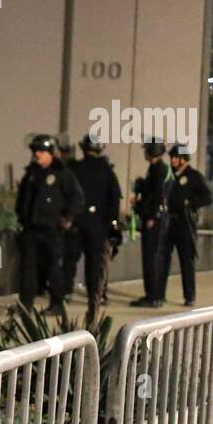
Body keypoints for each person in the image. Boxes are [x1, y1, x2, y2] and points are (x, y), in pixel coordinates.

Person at [16, 135, 84, 315]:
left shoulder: (63, 174)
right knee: (28, 268)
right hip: (31, 229)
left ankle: (56, 304)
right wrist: (21, 218)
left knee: (54, 268)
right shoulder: (31, 174)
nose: (36, 154)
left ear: (50, 153)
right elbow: (22, 199)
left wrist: (67, 218)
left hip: (52, 230)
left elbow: (77, 198)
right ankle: (26, 303)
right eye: (34, 151)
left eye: (40, 151)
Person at [64, 134, 122, 315]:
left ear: (83, 148)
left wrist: (68, 218)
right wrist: (112, 223)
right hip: (98, 226)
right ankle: (95, 296)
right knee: (95, 263)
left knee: (70, 259)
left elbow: (66, 194)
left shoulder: (73, 169)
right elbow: (115, 200)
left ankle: (65, 291)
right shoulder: (107, 171)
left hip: (77, 223)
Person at [161, 144, 211, 306]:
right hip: (169, 221)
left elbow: (207, 197)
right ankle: (159, 293)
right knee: (162, 258)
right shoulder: (170, 175)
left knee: (186, 260)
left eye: (175, 157)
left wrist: (190, 203)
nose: (172, 160)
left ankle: (189, 296)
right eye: (172, 157)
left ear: (183, 159)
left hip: (185, 223)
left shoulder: (194, 176)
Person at [130, 138, 173, 308]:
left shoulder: (158, 170)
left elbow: (157, 196)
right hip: (157, 218)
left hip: (155, 220)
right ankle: (156, 294)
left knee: (152, 258)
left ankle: (153, 296)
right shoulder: (157, 169)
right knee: (155, 257)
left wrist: (151, 217)